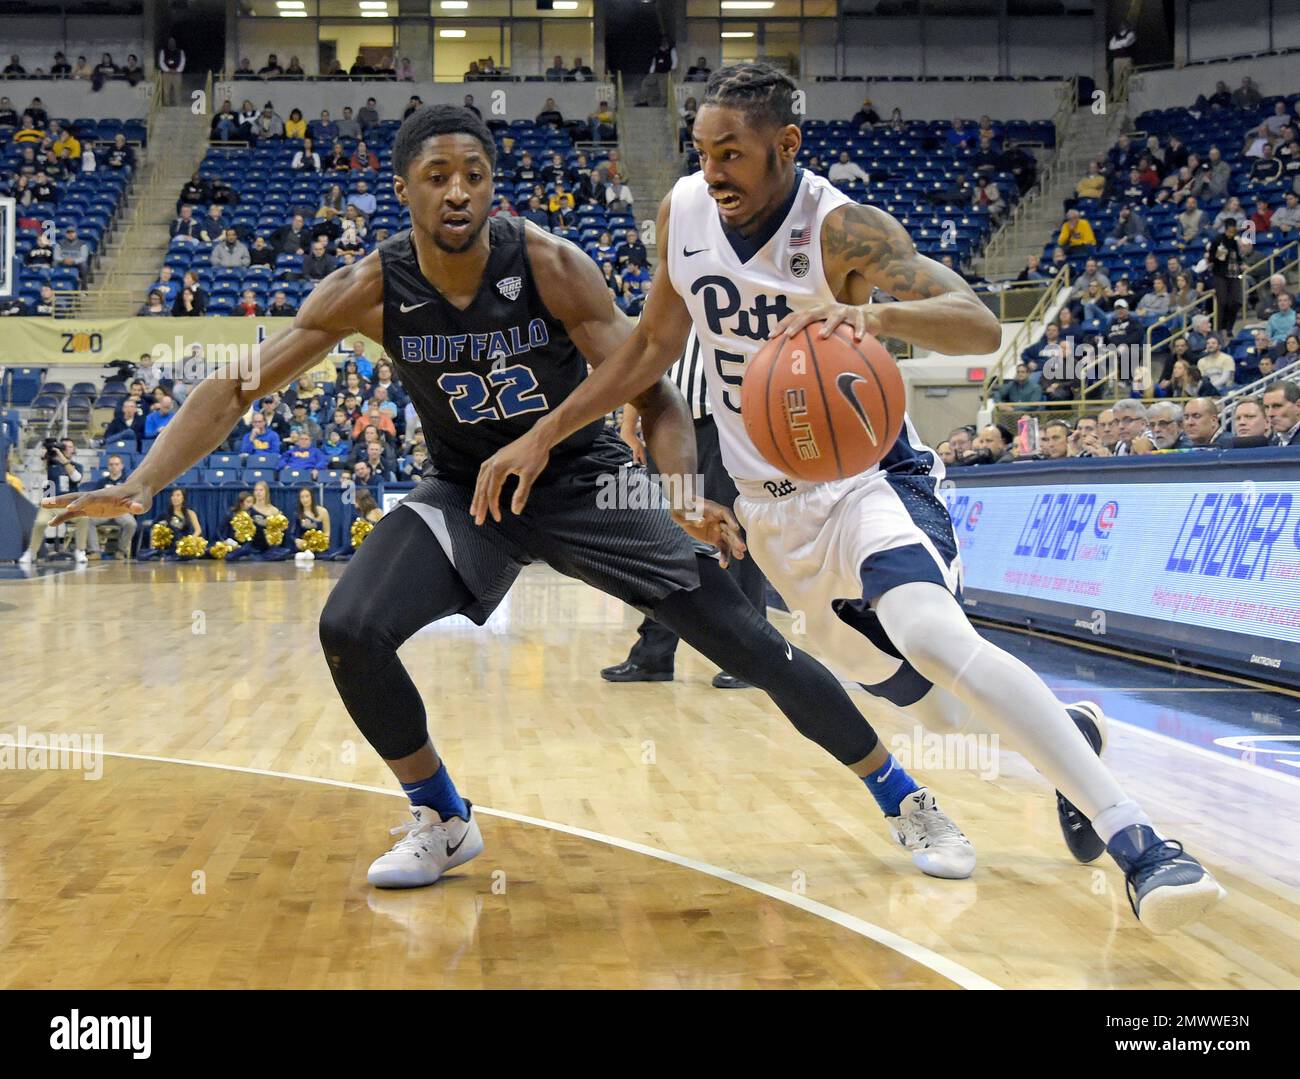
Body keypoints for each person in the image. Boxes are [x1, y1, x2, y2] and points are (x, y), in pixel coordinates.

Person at [46, 103, 983, 894]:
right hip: (468, 491)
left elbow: (652, 391)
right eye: (437, 176)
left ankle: (904, 795)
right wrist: (141, 481)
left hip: (582, 480)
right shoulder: (369, 287)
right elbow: (239, 386)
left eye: (475, 175)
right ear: (404, 188)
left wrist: (685, 493)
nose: (459, 191)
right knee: (351, 627)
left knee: (748, 642)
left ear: (494, 184)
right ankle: (443, 816)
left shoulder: (548, 262)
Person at [468, 66, 1223, 933]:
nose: (714, 170)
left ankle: (1142, 843)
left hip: (869, 480)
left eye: (734, 153)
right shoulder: (682, 212)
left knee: (932, 631)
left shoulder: (842, 230)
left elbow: (976, 322)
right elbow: (648, 351)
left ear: (787, 147)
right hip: (773, 514)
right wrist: (544, 433)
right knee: (924, 699)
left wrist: (871, 322)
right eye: (704, 151)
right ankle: (1069, 740)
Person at [601, 329, 768, 690]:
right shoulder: (667, 297)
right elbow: (647, 363)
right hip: (667, 429)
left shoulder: (729, 293)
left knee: (732, 536)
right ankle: (653, 655)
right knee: (665, 541)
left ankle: (752, 656)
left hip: (726, 430)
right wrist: (629, 427)